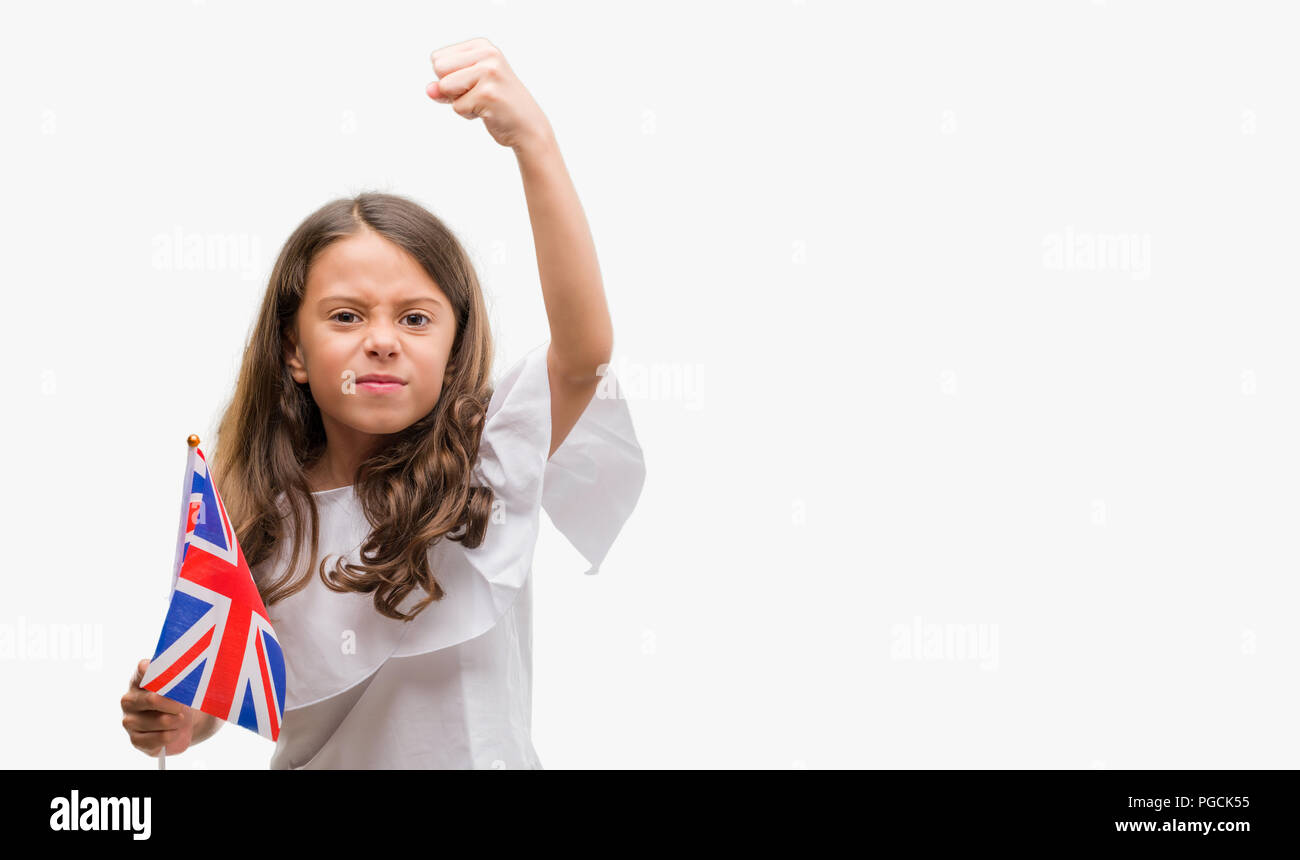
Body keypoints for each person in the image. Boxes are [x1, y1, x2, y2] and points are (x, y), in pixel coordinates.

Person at [120, 38, 645, 768]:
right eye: (345, 316)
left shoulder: (488, 464)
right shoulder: (259, 510)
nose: (382, 341)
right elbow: (233, 684)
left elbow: (585, 355)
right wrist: (179, 719)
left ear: (454, 347)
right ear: (294, 353)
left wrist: (534, 142)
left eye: (415, 318)